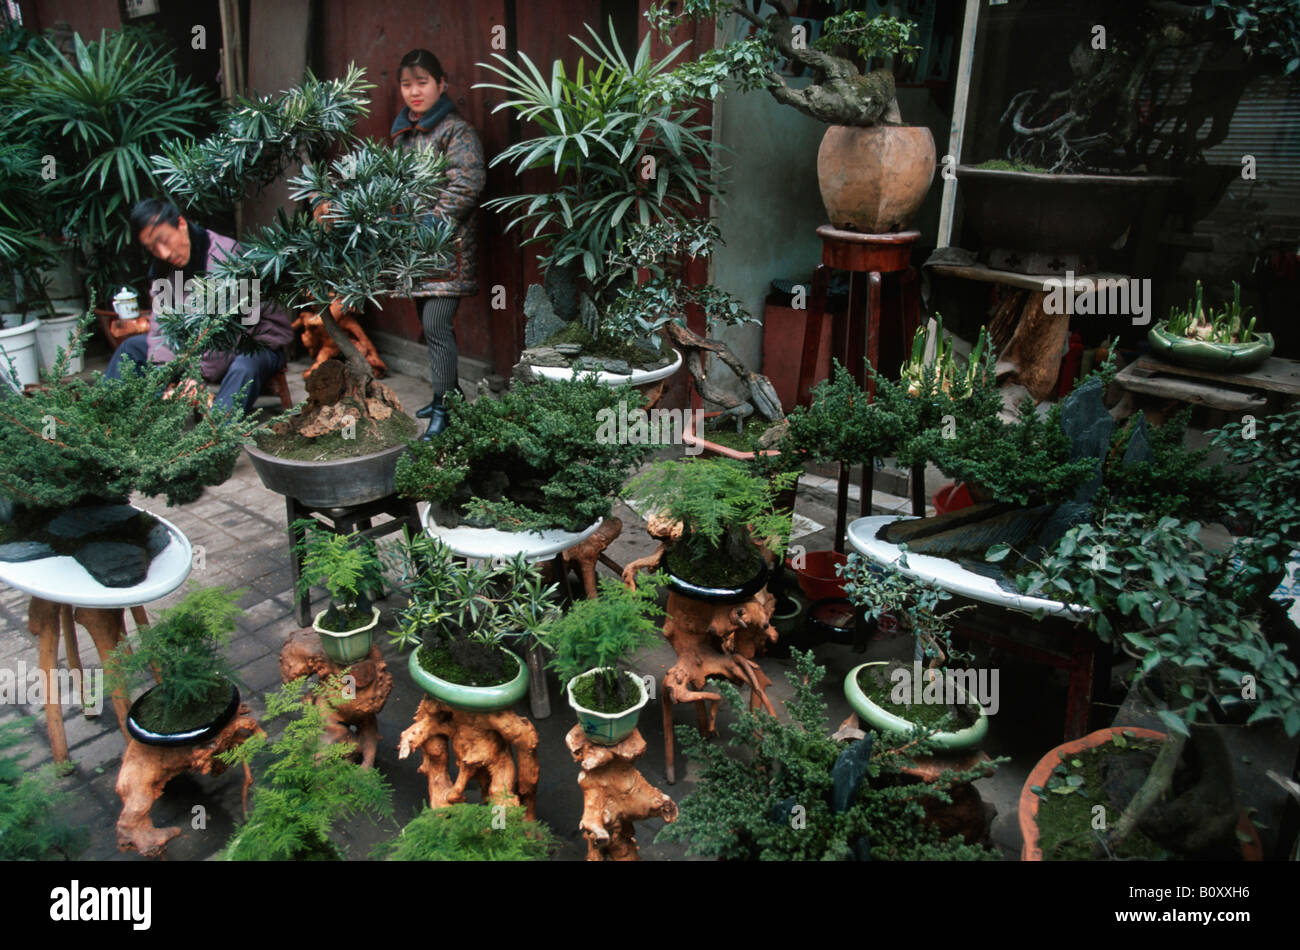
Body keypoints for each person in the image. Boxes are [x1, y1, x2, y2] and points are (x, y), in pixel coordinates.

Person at [105, 198, 293, 414]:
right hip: (195, 345)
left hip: (254, 339)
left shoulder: (227, 256)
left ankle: (216, 433)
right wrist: (166, 376)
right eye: (152, 248)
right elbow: (162, 329)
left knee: (244, 366)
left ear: (181, 224)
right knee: (131, 348)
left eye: (163, 240)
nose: (162, 253)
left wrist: (194, 376)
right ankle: (109, 418)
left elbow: (231, 333)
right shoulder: (162, 270)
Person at [390, 48, 486, 439]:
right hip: (415, 253)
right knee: (428, 324)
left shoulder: (456, 131)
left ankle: (445, 409)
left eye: (422, 83)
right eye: (406, 84)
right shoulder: (404, 133)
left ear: (441, 84)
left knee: (436, 323)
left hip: (448, 249)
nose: (414, 92)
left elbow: (468, 183)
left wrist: (430, 223)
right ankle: (447, 394)